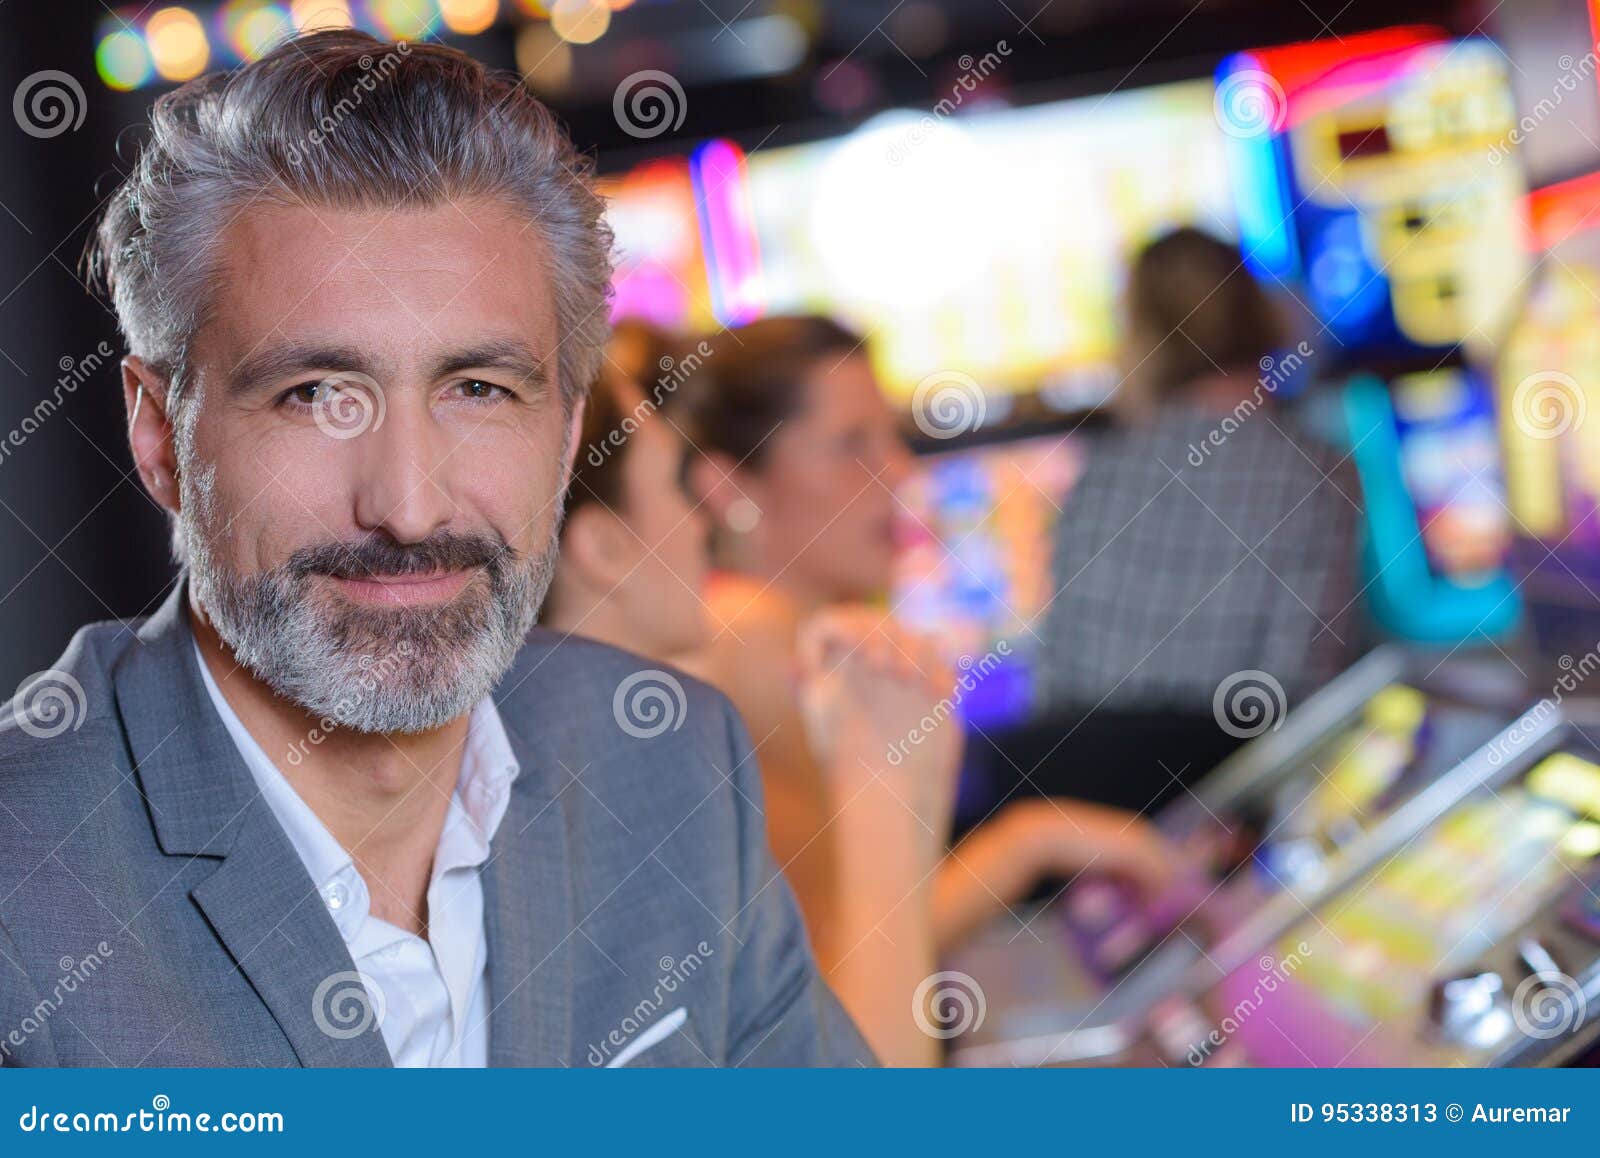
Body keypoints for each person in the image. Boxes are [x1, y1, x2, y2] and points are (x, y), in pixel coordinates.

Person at [0, 31, 870, 1068]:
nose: (409, 509)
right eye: (315, 395)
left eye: (479, 391)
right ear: (161, 440)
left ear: (564, 435)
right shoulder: (25, 895)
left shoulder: (664, 761)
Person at [666, 316, 1178, 1064]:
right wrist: (1034, 840)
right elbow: (843, 978)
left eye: (891, 437)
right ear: (729, 487)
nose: (899, 471)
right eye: (852, 445)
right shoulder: (754, 641)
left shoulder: (767, 632)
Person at [1038, 227, 1362, 716]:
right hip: (1245, 761)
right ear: (1261, 310)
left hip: (1087, 762)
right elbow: (1300, 696)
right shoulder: (1318, 474)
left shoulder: (1098, 476)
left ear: (1142, 334)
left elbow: (1055, 689)